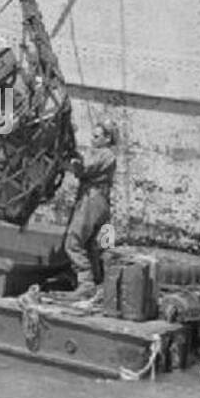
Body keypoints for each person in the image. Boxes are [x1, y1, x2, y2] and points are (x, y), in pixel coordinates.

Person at [63, 121, 118, 299]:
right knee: (95, 244)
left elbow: (84, 168)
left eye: (96, 136)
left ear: (107, 138)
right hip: (99, 201)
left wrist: (68, 159)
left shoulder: (106, 155)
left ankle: (86, 282)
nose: (92, 139)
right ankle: (100, 284)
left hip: (92, 200)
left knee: (74, 240)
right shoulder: (100, 154)